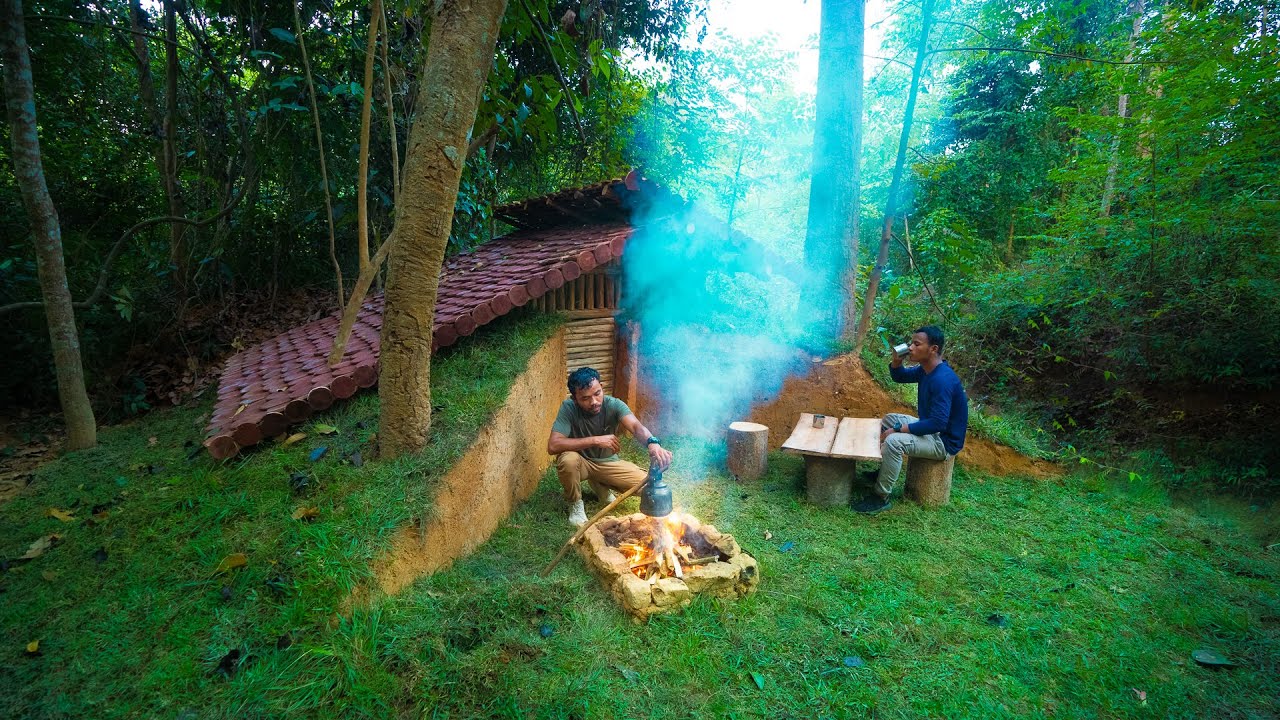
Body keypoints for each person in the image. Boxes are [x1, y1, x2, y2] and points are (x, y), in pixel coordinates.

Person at [854, 325, 968, 514]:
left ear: (933, 349)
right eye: (911, 343)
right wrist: (896, 362)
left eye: (916, 344)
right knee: (889, 419)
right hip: (932, 430)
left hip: (943, 441)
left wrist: (899, 429)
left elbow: (938, 423)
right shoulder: (926, 370)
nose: (910, 348)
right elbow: (900, 377)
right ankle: (883, 473)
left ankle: (880, 497)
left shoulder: (942, 380)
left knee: (894, 441)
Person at [547, 367, 674, 527]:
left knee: (649, 488)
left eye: (597, 393)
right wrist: (595, 440)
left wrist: (652, 442)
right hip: (581, 463)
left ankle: (600, 484)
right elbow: (553, 445)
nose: (594, 402)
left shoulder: (614, 405)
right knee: (568, 460)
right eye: (585, 398)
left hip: (607, 463)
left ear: (601, 387)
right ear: (574, 398)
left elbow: (636, 427)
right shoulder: (568, 408)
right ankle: (576, 505)